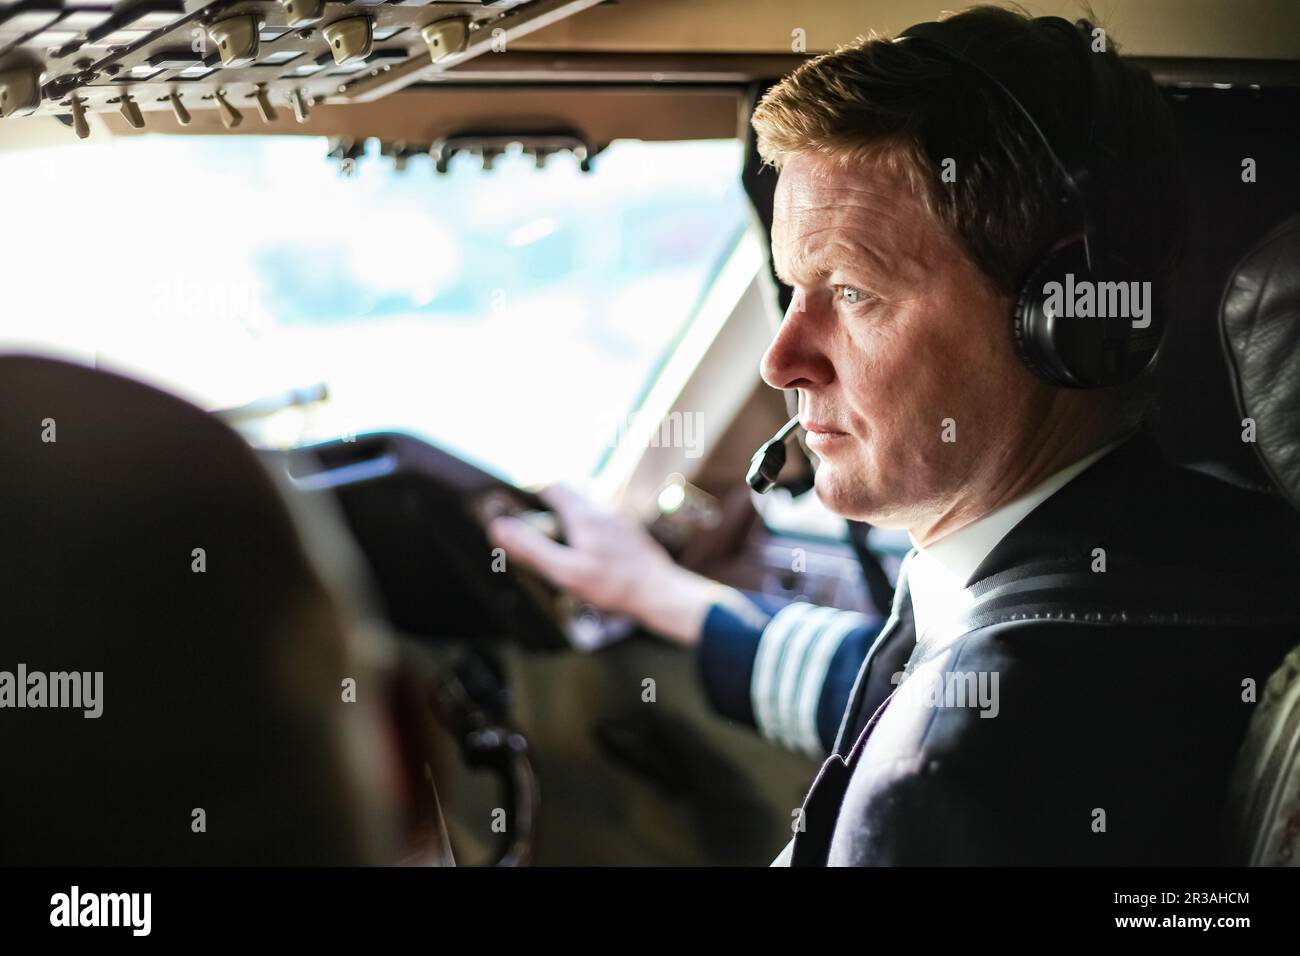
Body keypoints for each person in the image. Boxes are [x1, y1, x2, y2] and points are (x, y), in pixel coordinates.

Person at [490, 6, 1300, 865]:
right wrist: (670, 599)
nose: (782, 360)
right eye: (791, 286)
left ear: (1067, 309)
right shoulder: (1203, 551)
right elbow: (893, 675)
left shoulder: (950, 781)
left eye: (851, 293)